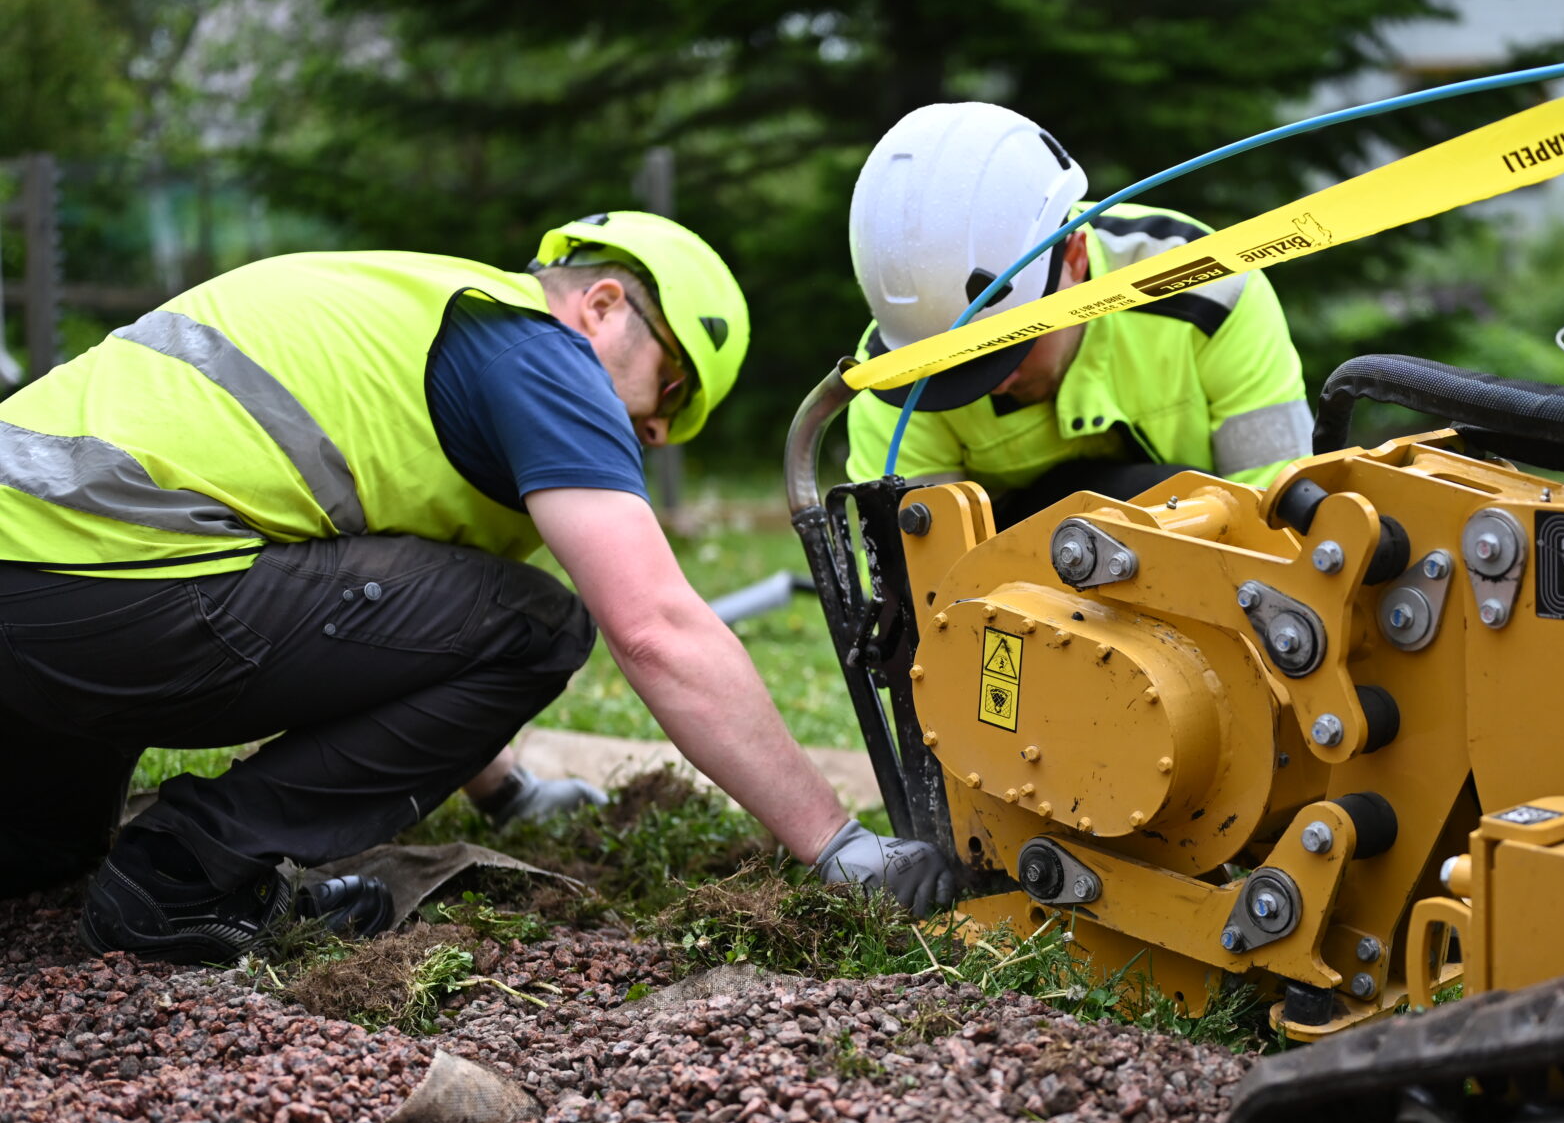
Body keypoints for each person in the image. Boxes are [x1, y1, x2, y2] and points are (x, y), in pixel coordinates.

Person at [0, 211, 954, 962]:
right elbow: (657, 628)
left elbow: (389, 622)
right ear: (607, 306)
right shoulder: (536, 353)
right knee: (540, 628)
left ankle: (40, 847)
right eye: (670, 395)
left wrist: (505, 794)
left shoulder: (420, 326)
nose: (656, 435)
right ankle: (184, 872)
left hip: (42, 592)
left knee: (45, 859)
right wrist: (840, 846)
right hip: (119, 585)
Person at [845, 102, 1314, 526]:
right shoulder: (896, 382)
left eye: (1008, 345)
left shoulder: (1212, 290)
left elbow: (1276, 522)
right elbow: (919, 594)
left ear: (1074, 257)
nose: (996, 381)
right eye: (953, 369)